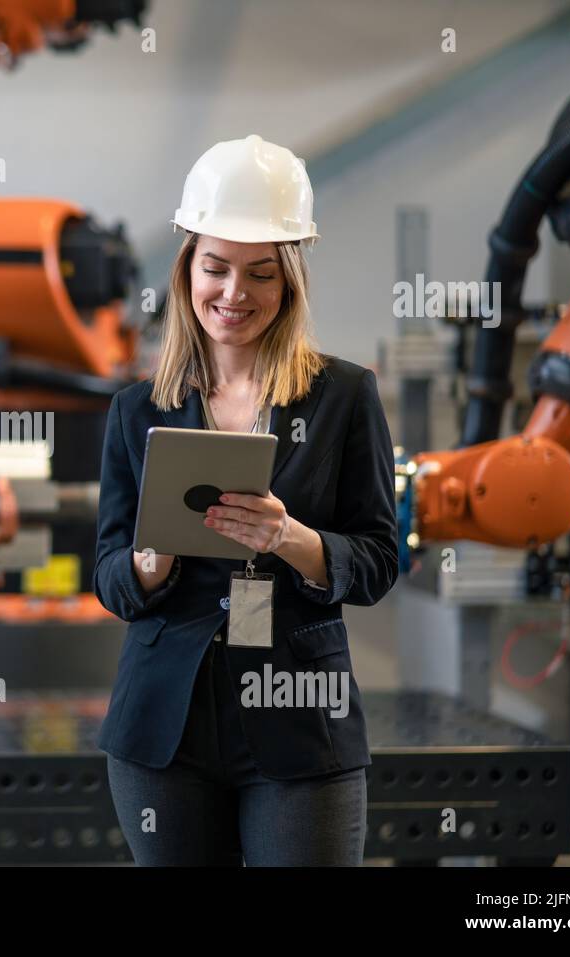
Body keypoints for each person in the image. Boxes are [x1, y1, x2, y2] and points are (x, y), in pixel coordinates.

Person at [93, 134, 399, 866]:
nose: (234, 294)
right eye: (216, 268)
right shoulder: (139, 409)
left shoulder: (343, 397)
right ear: (187, 270)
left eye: (260, 273)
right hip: (164, 729)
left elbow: (382, 557)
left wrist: (293, 537)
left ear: (289, 280)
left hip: (299, 722)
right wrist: (149, 560)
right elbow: (106, 573)